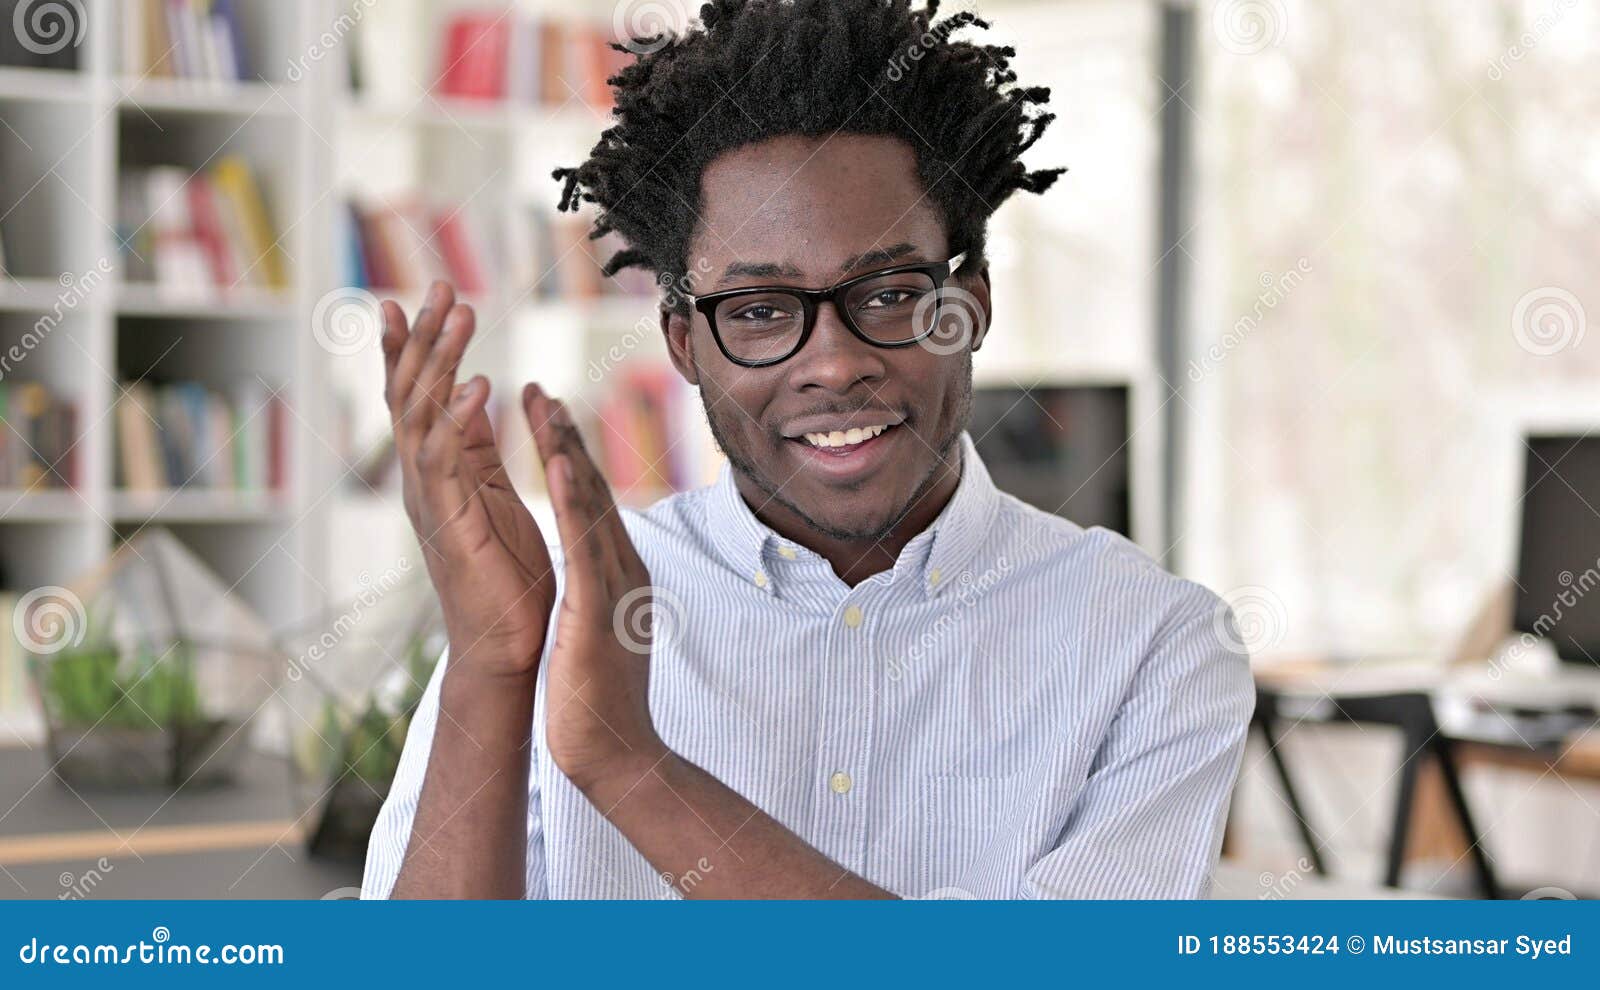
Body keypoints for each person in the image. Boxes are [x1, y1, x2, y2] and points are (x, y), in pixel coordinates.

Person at [362, 0, 1252, 900]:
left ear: (971, 303)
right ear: (684, 345)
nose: (834, 362)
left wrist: (629, 766)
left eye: (889, 292)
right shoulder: (552, 617)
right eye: (757, 311)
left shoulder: (1155, 644)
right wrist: (494, 666)